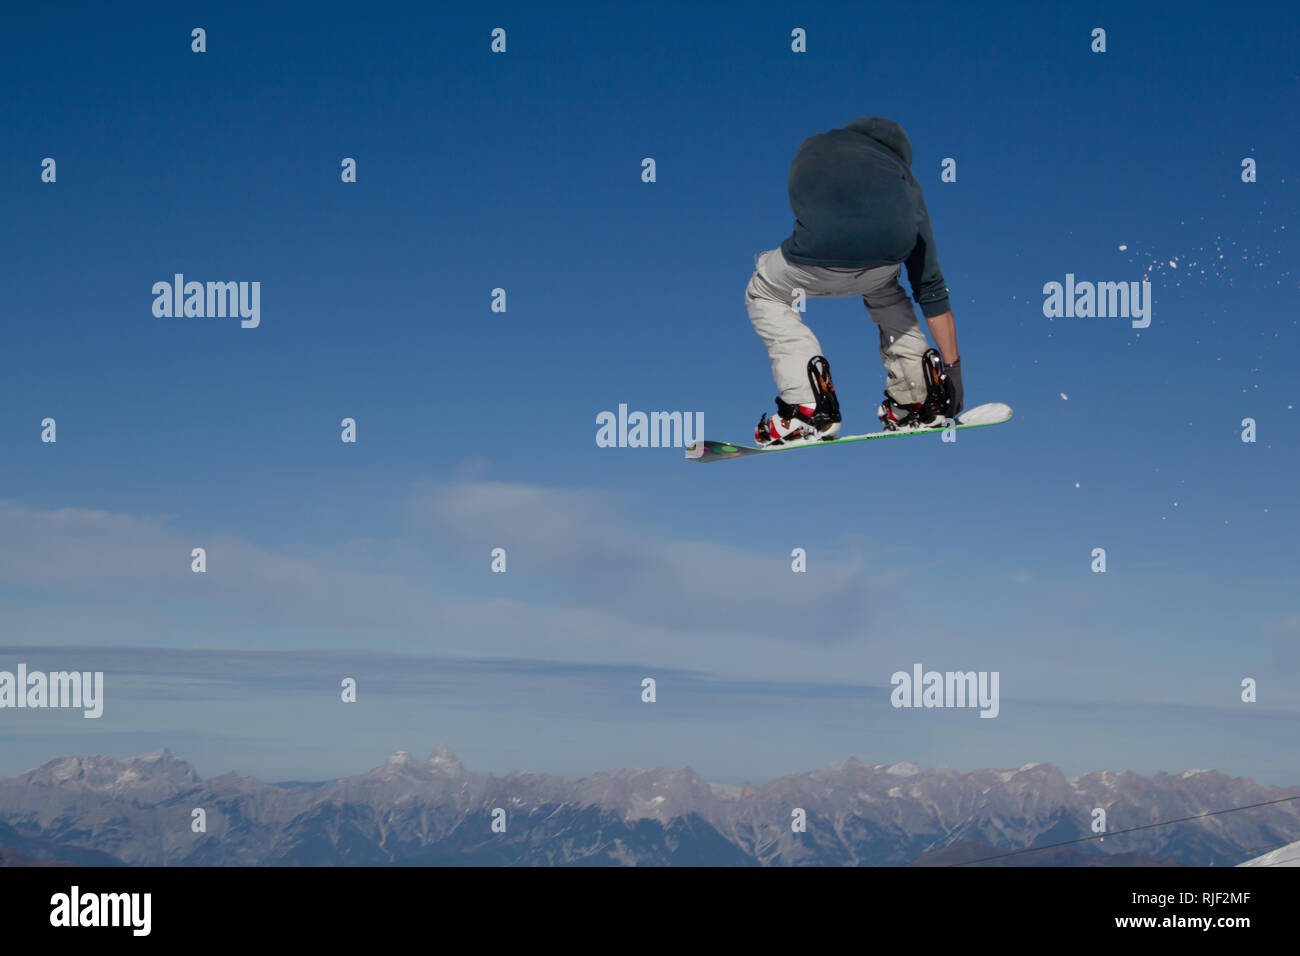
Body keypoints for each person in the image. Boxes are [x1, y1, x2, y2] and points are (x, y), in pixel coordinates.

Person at [746, 116, 963, 446]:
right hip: (881, 265)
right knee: (887, 292)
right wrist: (952, 371)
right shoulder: (905, 179)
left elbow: (799, 192)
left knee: (764, 293)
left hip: (813, 258)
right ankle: (918, 397)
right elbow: (930, 286)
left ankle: (806, 403)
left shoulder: (817, 145)